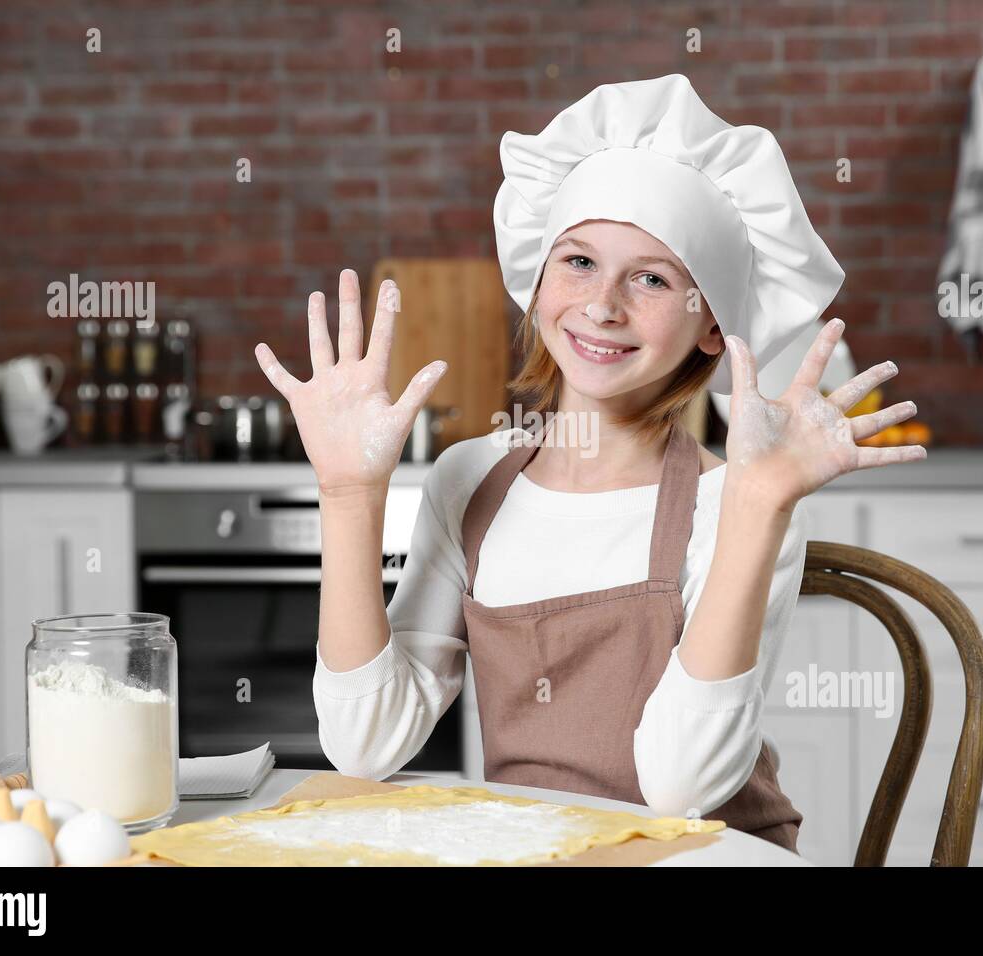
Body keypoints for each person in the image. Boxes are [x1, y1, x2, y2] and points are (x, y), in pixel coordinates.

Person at [255, 75, 925, 854]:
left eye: (651, 278)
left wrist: (756, 506)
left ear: (711, 325)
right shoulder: (469, 482)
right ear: (537, 283)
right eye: (578, 261)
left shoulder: (735, 501)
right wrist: (346, 494)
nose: (603, 305)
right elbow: (366, 745)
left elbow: (682, 791)